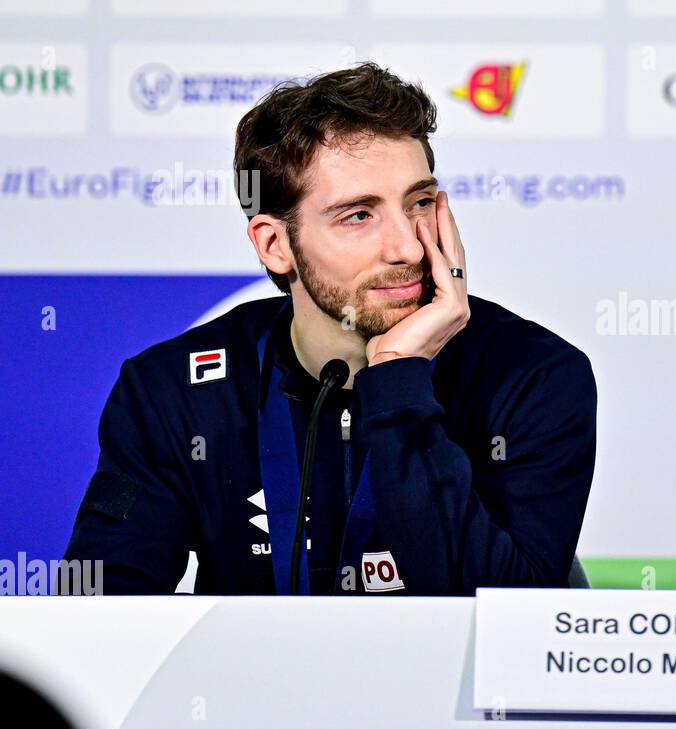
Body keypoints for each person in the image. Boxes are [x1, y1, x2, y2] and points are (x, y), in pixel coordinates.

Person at [64, 62, 597, 595]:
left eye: (418, 203)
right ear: (275, 245)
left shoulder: (534, 376)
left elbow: (504, 627)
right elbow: (100, 614)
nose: (408, 247)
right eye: (358, 216)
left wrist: (398, 381)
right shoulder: (171, 391)